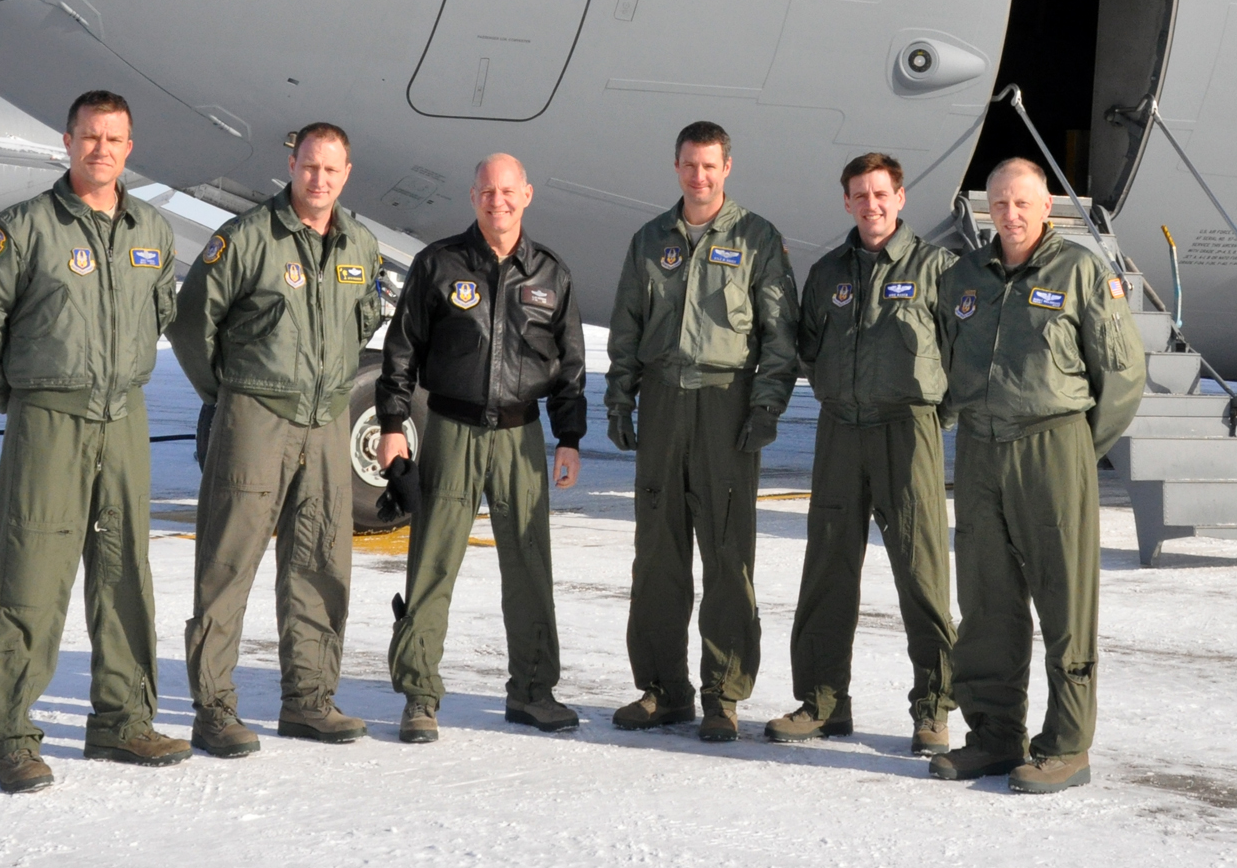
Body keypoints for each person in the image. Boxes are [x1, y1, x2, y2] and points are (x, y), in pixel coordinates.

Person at [0, 89, 187, 794]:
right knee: (31, 579)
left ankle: (122, 721)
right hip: (49, 420)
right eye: (88, 137)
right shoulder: (24, 229)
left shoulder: (153, 231)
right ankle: (11, 735)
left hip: (125, 420)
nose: (100, 149)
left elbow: (161, 310)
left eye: (113, 139)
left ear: (129, 147)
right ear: (67, 141)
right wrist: (19, 402)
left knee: (124, 575)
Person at [168, 123, 385, 756]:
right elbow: (191, 327)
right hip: (257, 418)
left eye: (332, 170)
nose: (319, 180)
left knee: (320, 562)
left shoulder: (360, 245)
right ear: (292, 165)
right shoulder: (246, 239)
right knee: (229, 563)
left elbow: (364, 316)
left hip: (325, 422)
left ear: (347, 173)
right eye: (310, 167)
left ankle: (309, 701)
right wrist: (232, 393)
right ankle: (214, 710)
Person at [930, 157, 1145, 795]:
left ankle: (1066, 746)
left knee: (1064, 600)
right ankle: (995, 736)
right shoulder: (965, 276)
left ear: (1047, 206)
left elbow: (1124, 376)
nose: (1011, 214)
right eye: (999, 204)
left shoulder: (1080, 270)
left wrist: (1078, 448)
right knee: (987, 599)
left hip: (1052, 449)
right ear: (985, 209)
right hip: (979, 451)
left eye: (1023, 203)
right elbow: (942, 357)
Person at [375, 153, 587, 743]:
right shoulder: (439, 264)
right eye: (487, 191)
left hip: (521, 436)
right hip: (452, 429)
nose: (498, 200)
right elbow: (402, 350)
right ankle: (419, 694)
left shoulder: (551, 273)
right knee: (432, 564)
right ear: (473, 198)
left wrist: (569, 437)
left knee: (528, 565)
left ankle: (534, 692)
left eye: (508, 191)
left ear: (527, 195)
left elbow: (570, 366)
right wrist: (393, 420)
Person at [605, 121, 798, 743]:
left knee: (726, 553)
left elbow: (779, 337)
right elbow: (628, 327)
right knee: (657, 555)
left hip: (725, 404)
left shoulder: (755, 238)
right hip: (664, 402)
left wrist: (764, 409)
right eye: (690, 165)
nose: (699, 176)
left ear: (727, 167)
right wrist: (620, 400)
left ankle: (723, 694)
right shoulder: (650, 239)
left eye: (710, 166)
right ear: (677, 166)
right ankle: (664, 690)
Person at [766, 152, 957, 755]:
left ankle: (933, 707)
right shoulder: (827, 274)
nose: (871, 205)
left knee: (922, 574)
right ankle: (824, 700)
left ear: (900, 198)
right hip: (840, 432)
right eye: (859, 195)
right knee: (826, 570)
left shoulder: (939, 270)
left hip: (908, 431)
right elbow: (810, 349)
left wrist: (933, 419)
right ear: (846, 202)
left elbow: (963, 355)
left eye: (881, 194)